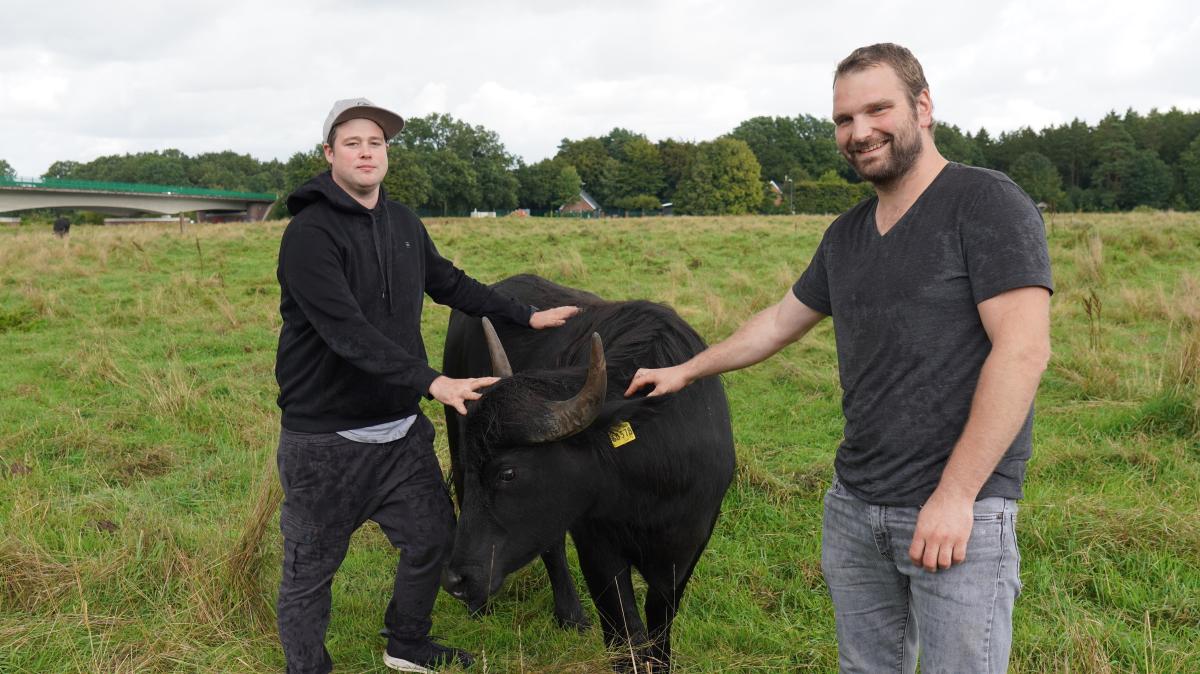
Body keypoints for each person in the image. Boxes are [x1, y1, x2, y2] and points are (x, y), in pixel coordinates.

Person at [626, 44, 1052, 673]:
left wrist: (955, 497)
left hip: (959, 513)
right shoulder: (847, 234)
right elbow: (777, 322)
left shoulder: (984, 203)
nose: (859, 132)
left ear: (924, 107)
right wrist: (687, 369)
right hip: (857, 509)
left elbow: (1023, 351)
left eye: (877, 110)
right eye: (843, 120)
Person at [274, 97, 577, 674]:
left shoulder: (403, 222)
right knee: (310, 571)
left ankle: (406, 642)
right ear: (329, 154)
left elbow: (450, 284)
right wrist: (433, 380)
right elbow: (346, 333)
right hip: (325, 442)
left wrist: (525, 315)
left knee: (434, 539)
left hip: (400, 434)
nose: (367, 152)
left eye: (377, 143)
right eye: (353, 142)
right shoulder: (309, 236)